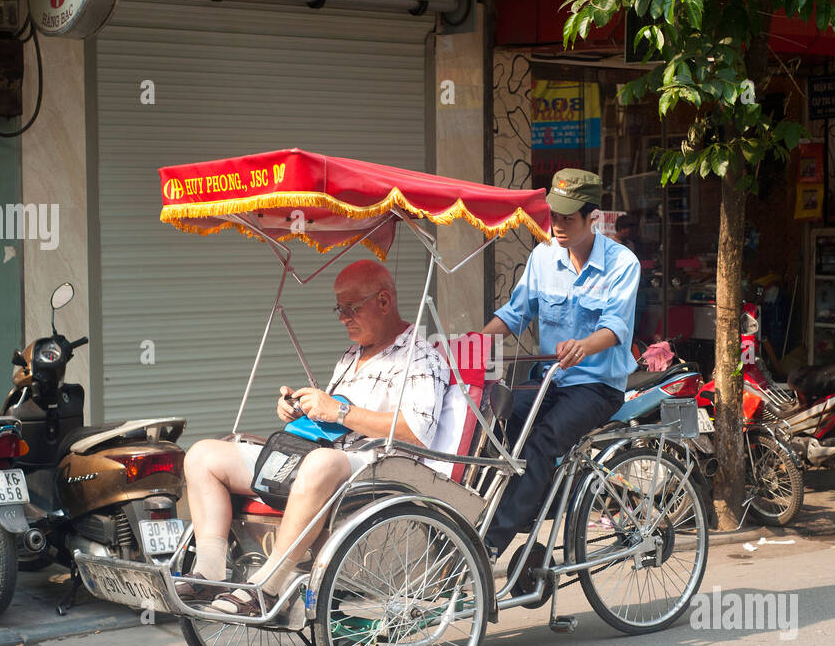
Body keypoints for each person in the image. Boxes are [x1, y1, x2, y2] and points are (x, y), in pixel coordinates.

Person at [180, 259, 448, 616]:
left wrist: (338, 412)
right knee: (203, 455)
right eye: (339, 309)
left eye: (352, 308)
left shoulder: (422, 356)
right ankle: (209, 570)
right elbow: (331, 414)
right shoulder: (352, 356)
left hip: (377, 467)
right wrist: (301, 408)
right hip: (318, 455)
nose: (343, 318)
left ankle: (270, 584)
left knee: (322, 463)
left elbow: (417, 431)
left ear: (384, 301)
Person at [479, 169, 640, 586]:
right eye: (554, 217)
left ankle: (490, 543)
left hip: (597, 387)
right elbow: (515, 313)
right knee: (500, 424)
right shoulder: (542, 257)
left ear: (592, 218)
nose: (558, 226)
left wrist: (583, 346)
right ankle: (494, 513)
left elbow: (617, 328)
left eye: (568, 218)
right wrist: (472, 344)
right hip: (551, 378)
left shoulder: (622, 264)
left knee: (542, 441)